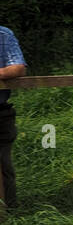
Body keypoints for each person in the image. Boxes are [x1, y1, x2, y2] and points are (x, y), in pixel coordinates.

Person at [0, 23, 26, 212]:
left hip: (0, 112)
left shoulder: (3, 34)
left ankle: (9, 212)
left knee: (3, 164)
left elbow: (18, 68)